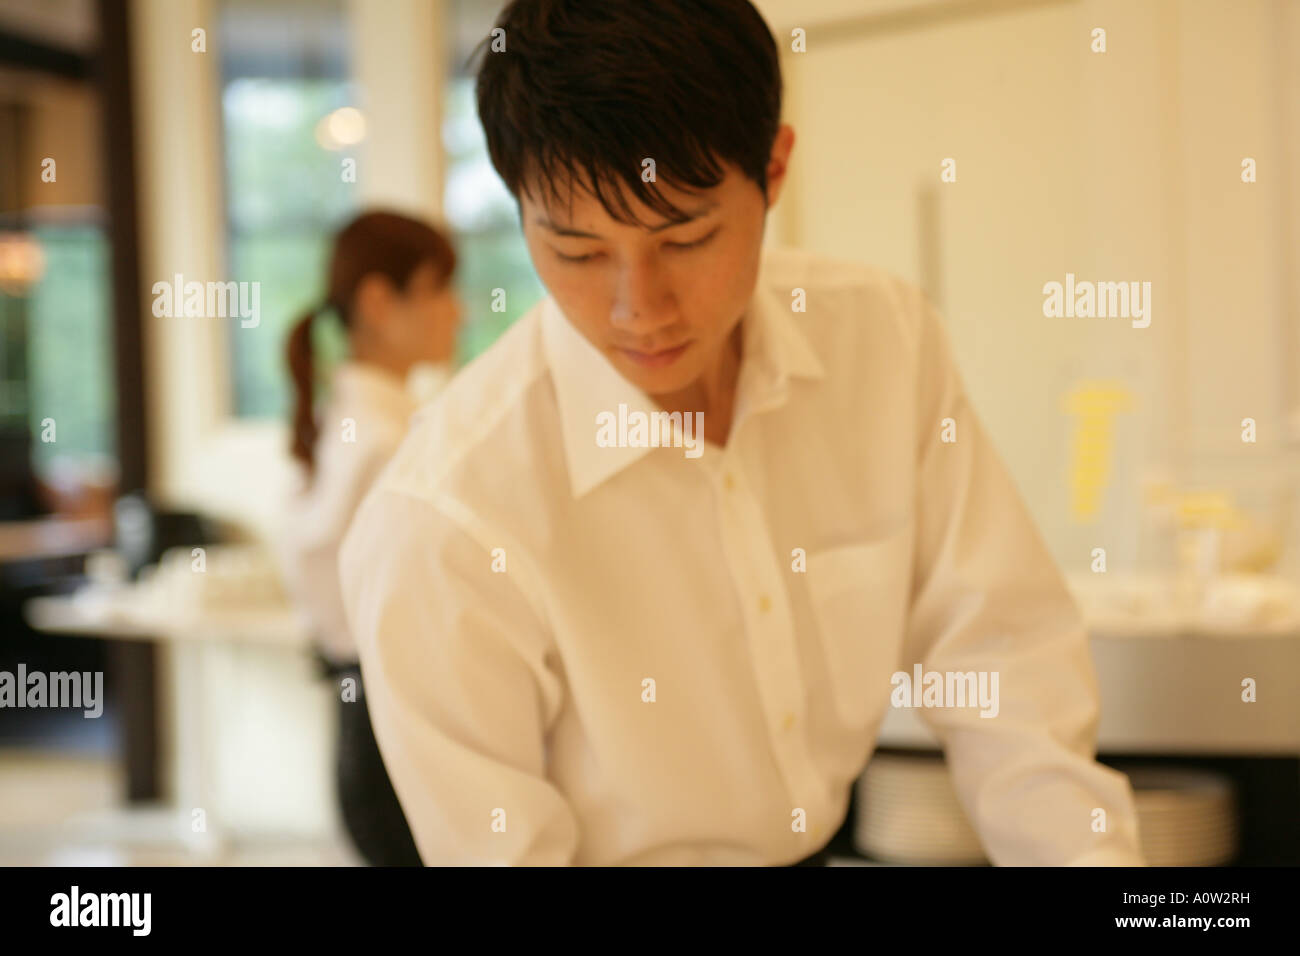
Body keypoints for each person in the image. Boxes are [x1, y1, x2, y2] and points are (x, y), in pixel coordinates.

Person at [338, 0, 1147, 867]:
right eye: (577, 253)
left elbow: (1001, 659)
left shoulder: (879, 342)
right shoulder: (445, 518)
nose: (637, 308)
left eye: (684, 237)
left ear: (774, 168)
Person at [279, 210, 462, 866]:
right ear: (380, 302)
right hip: (391, 727)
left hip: (368, 721)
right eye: (440, 289)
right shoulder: (383, 440)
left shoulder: (359, 422)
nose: (459, 312)